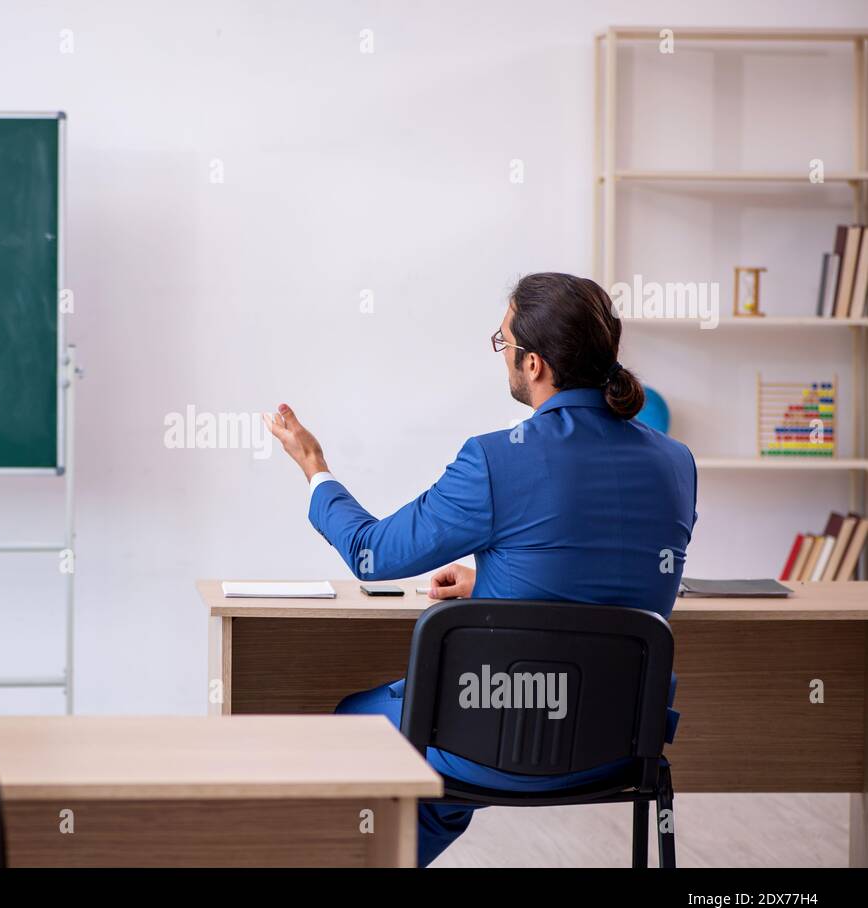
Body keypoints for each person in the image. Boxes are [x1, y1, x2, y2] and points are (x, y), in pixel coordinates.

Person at [263, 272, 697, 866]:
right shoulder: (676, 463)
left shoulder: (495, 460)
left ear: (535, 364)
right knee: (441, 784)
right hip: (616, 745)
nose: (504, 358)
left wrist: (315, 468)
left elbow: (373, 554)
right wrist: (493, 585)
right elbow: (600, 568)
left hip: (496, 739)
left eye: (504, 344)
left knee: (357, 727)